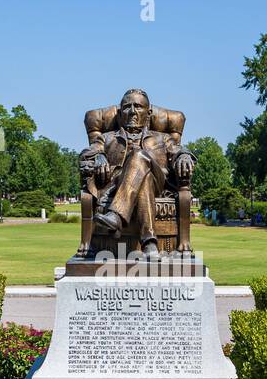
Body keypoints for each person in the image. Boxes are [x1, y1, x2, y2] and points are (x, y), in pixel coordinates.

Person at [80, 89, 195, 256]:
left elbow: (178, 150)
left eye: (138, 107)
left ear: (148, 113)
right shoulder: (107, 138)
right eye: (127, 107)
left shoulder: (162, 138)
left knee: (139, 155)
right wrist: (99, 156)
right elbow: (88, 152)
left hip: (159, 184)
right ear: (119, 114)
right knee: (144, 179)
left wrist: (184, 155)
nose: (132, 111)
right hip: (120, 183)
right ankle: (149, 243)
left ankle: (116, 216)